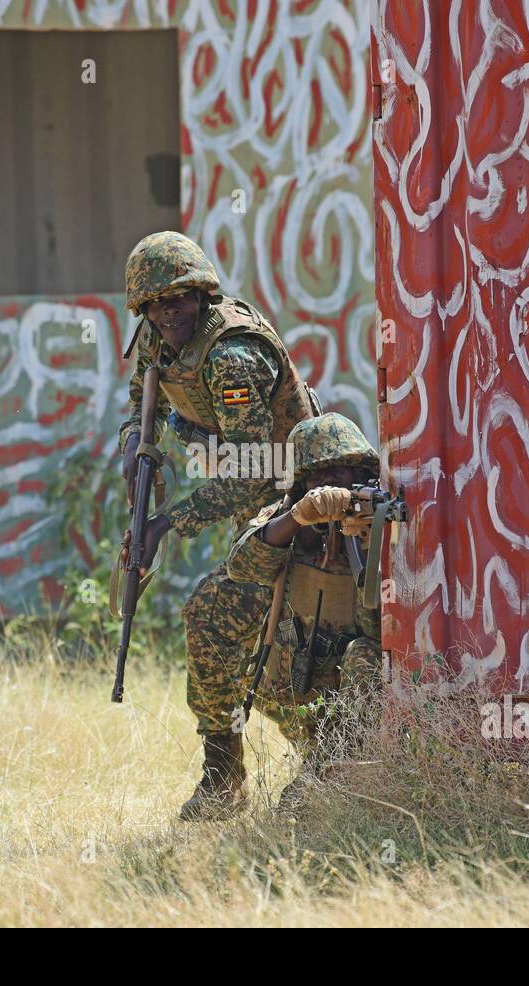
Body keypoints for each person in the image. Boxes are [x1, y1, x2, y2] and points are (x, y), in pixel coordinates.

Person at [117, 231, 318, 820]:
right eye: (154, 304)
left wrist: (163, 525)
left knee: (255, 640)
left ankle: (300, 768)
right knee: (240, 639)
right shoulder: (158, 340)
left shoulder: (231, 357)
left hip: (297, 509)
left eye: (178, 300)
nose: (166, 313)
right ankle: (228, 778)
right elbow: (140, 400)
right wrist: (137, 445)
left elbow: (254, 472)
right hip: (255, 513)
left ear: (202, 295)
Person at [224, 413, 384, 815]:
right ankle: (327, 772)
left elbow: (382, 625)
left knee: (365, 661)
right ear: (301, 484)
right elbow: (241, 565)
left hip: (360, 681)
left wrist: (367, 535)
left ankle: (324, 780)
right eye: (320, 477)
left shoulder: (386, 517)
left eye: (345, 471)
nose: (334, 484)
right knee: (328, 751)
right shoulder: (287, 515)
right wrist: (298, 519)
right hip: (298, 682)